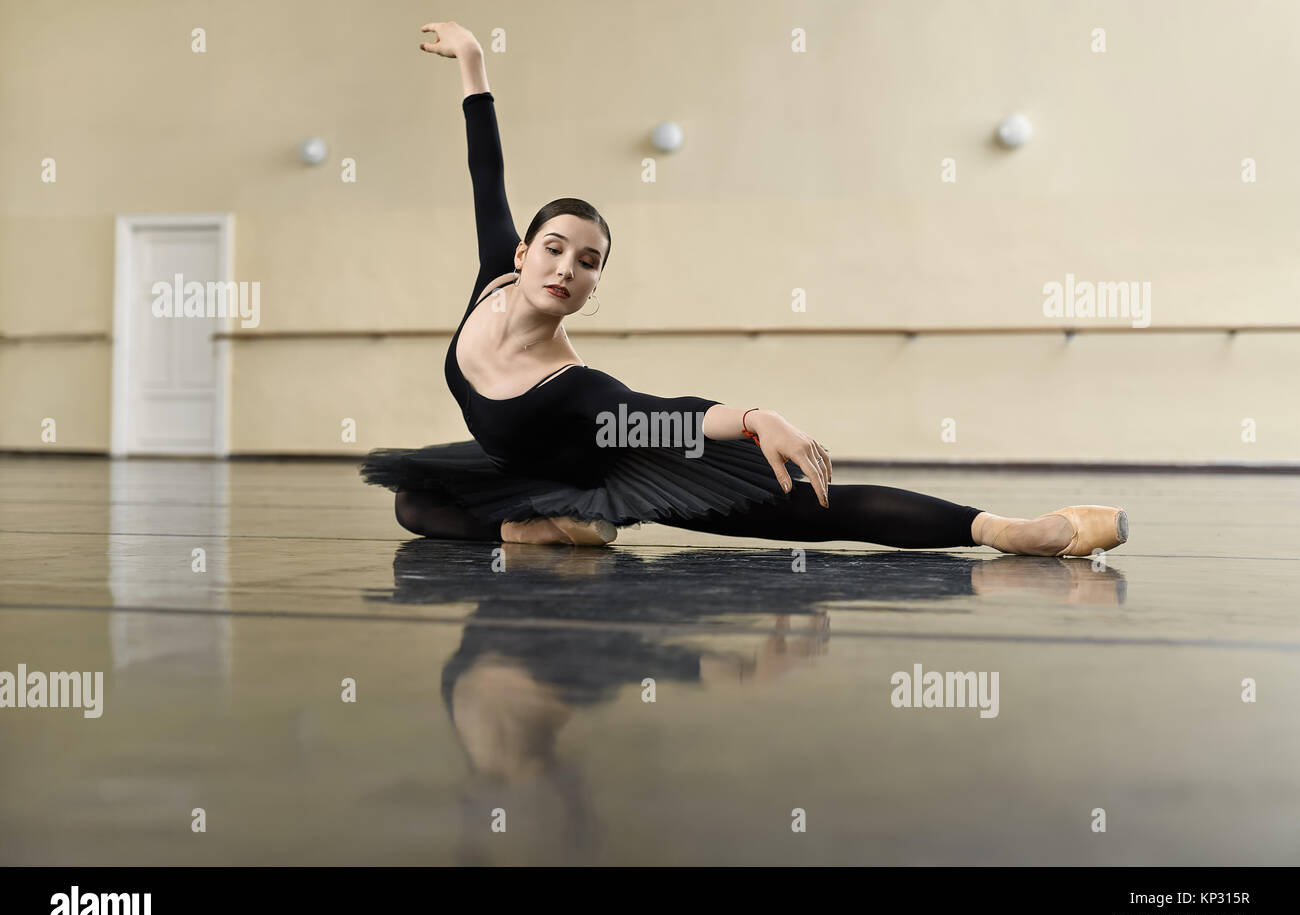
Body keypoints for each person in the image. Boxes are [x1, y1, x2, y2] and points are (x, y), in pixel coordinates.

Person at [359, 20, 1129, 558]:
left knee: (809, 512)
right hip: (521, 468)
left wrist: (758, 417)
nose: (567, 269)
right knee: (412, 502)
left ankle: (1012, 531)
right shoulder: (495, 271)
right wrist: (473, 64)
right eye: (555, 250)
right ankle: (534, 532)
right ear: (524, 254)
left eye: (589, 262)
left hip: (613, 453)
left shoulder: (574, 385)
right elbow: (485, 172)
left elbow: (666, 419)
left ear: (596, 284)